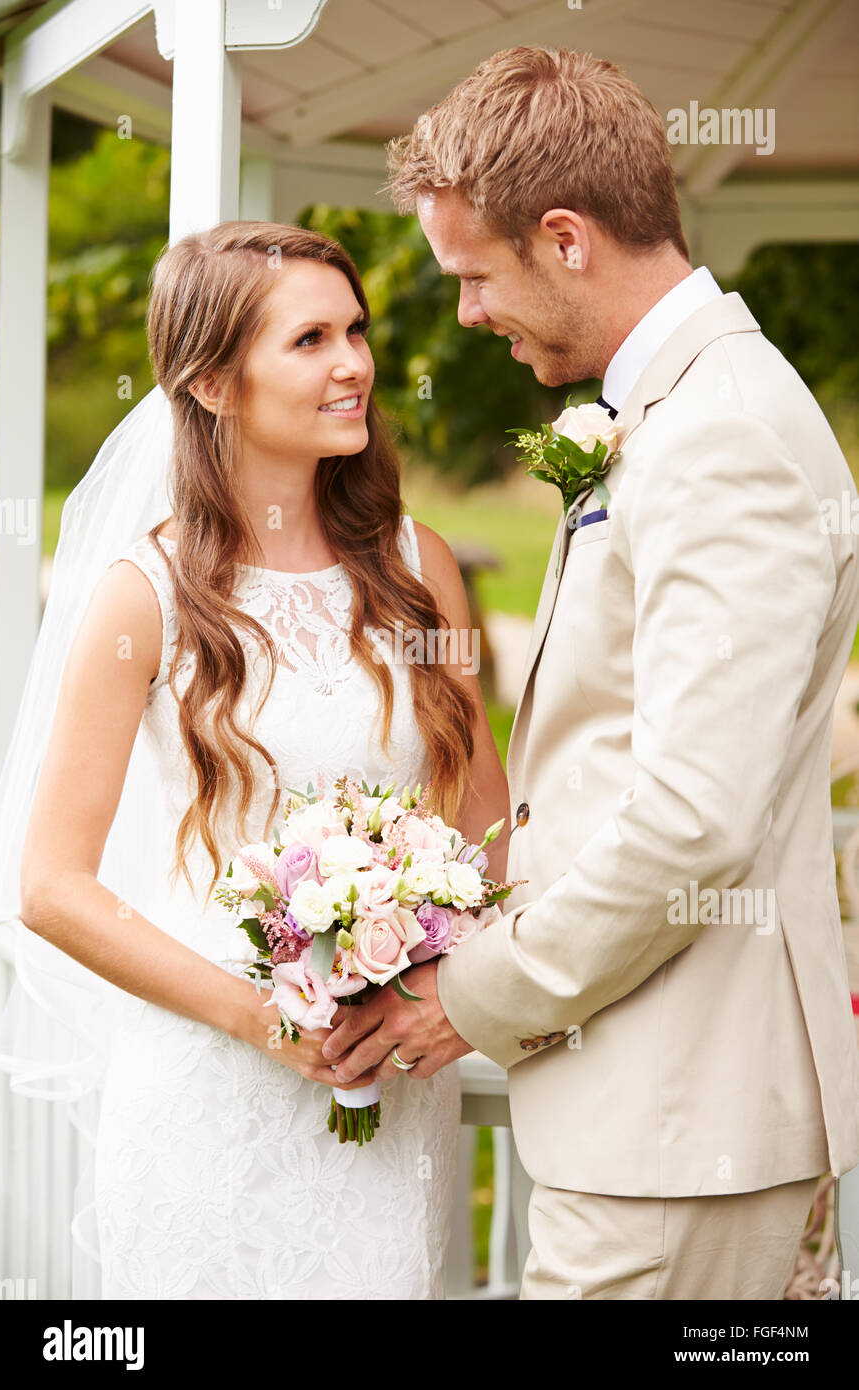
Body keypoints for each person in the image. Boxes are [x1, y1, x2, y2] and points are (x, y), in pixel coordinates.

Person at [323, 46, 859, 1300]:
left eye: (473, 276)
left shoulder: (716, 434)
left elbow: (688, 818)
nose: (464, 314)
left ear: (564, 239)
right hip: (648, 1122)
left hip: (680, 1136)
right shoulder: (666, 413)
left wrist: (474, 993)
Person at [0, 221, 509, 1299]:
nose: (354, 364)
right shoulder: (146, 597)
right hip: (206, 1088)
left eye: (356, 331)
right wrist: (263, 1020)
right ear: (217, 382)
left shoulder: (418, 568)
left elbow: (481, 812)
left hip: (384, 1077)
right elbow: (49, 887)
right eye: (310, 339)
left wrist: (433, 981)